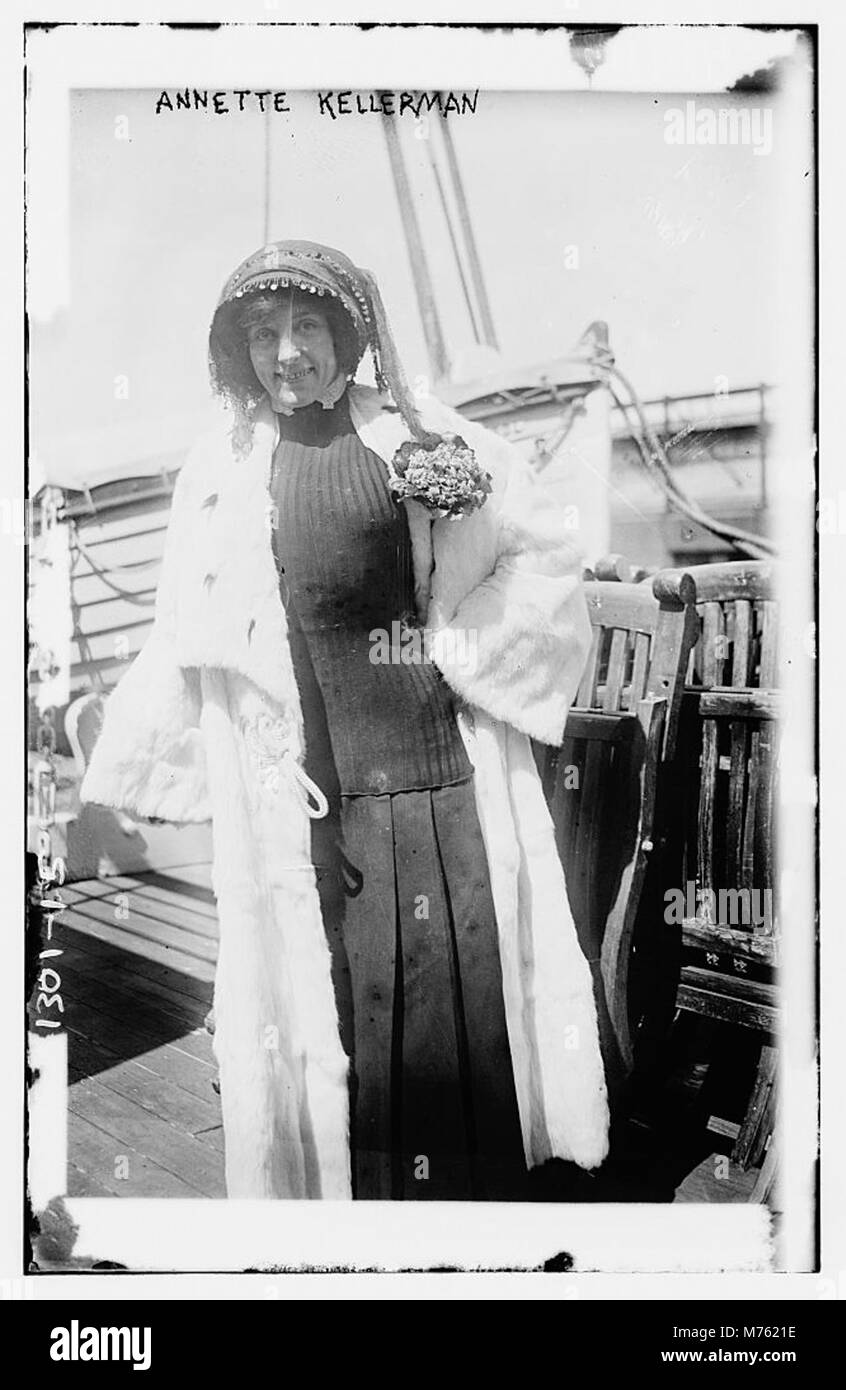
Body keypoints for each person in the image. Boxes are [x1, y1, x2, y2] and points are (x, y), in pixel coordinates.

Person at [81, 239, 610, 1200]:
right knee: (331, 1014)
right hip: (305, 800)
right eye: (264, 334)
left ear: (347, 334)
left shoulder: (419, 436)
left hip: (431, 779)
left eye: (307, 327)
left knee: (449, 1012)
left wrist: (460, 652)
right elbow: (184, 628)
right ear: (238, 351)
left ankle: (469, 1224)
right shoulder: (221, 468)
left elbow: (544, 552)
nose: (286, 353)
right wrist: (144, 761)